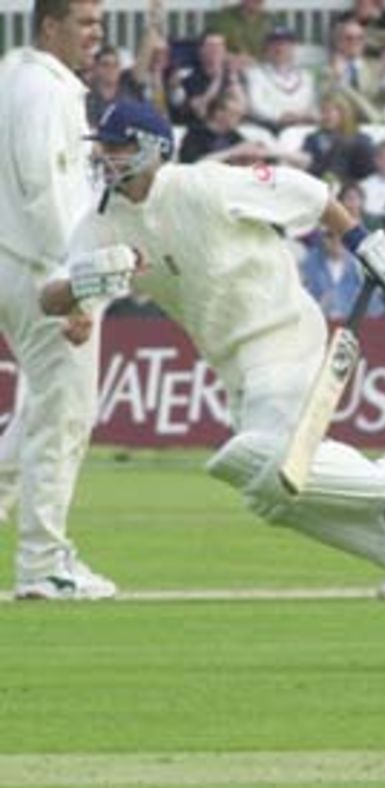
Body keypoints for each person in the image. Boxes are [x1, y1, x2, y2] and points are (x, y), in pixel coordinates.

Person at [40, 101, 385, 599]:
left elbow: (310, 193)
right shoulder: (104, 221)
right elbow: (53, 296)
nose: (105, 157)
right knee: (272, 499)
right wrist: (79, 300)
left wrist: (361, 241)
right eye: (102, 148)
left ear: (153, 149)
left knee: (261, 463)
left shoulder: (204, 185)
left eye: (117, 146)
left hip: (284, 331)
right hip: (232, 363)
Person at [0, 0, 110, 600]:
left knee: (39, 410)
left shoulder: (17, 79)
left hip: (16, 261)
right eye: (85, 23)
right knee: (64, 414)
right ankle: (43, 563)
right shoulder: (43, 90)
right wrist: (72, 287)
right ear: (49, 26)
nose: (97, 34)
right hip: (41, 268)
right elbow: (42, 188)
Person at [243, 26, 318, 133]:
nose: (280, 48)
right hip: (270, 129)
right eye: (274, 44)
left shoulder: (306, 76)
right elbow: (255, 106)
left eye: (285, 44)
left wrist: (306, 116)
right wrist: (280, 116)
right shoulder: (254, 74)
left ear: (293, 48)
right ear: (266, 49)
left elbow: (313, 105)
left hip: (304, 126)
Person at [301, 92, 376, 184]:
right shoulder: (312, 139)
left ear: (343, 113)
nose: (324, 116)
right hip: (318, 188)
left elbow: (369, 174)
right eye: (322, 112)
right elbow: (307, 169)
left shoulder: (361, 140)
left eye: (328, 111)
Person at [207, 0, 272, 66]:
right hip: (231, 69)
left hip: (261, 69)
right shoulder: (225, 18)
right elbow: (210, 49)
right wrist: (233, 58)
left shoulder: (266, 19)